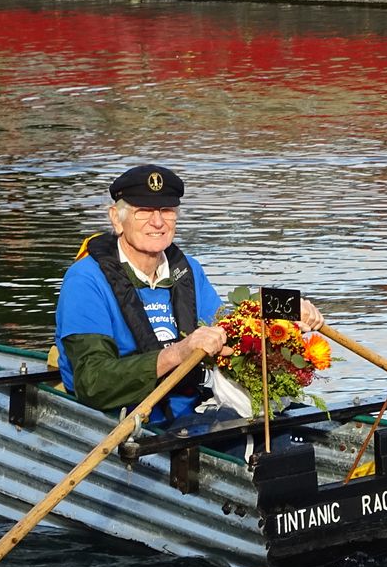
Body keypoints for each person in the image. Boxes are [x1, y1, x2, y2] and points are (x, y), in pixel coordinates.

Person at [55, 164, 324, 427]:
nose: (157, 222)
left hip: (190, 412)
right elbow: (92, 383)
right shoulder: (85, 280)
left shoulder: (187, 270)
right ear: (116, 218)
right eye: (144, 211)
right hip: (128, 420)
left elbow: (228, 329)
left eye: (167, 210)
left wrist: (284, 315)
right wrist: (178, 353)